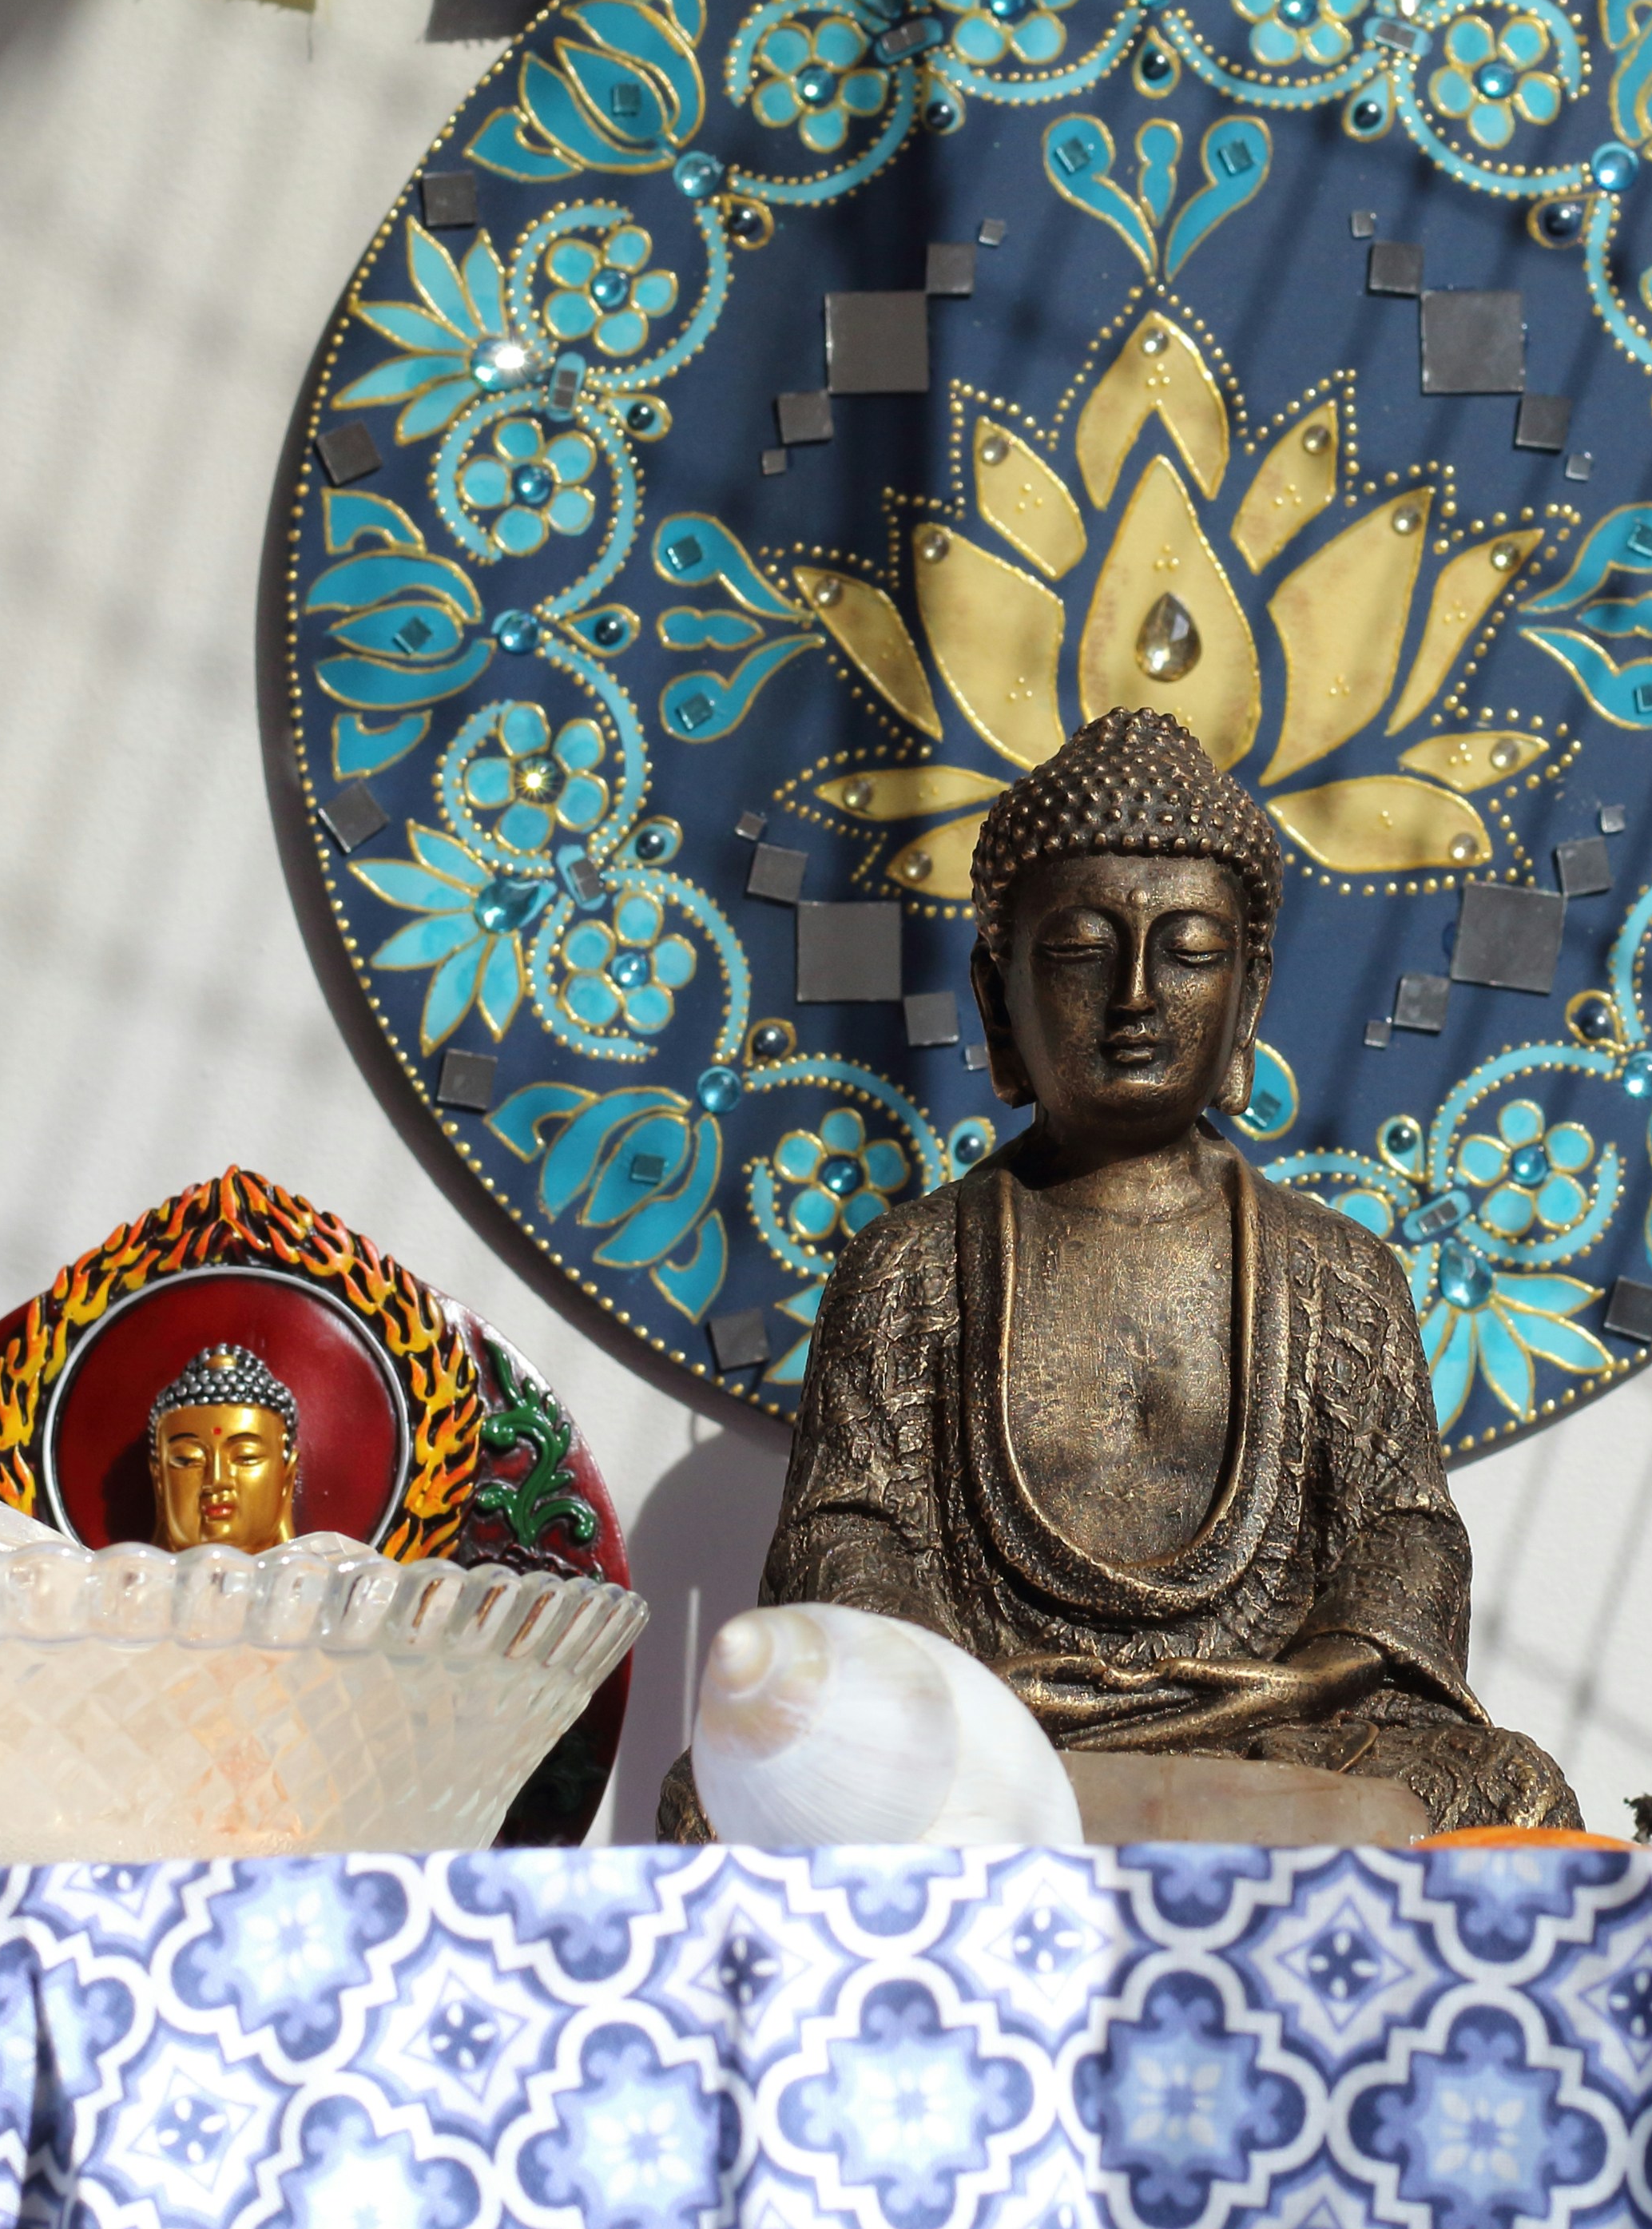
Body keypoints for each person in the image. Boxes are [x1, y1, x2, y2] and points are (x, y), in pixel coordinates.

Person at [665, 707, 1579, 1837]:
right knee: (710, 1796)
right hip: (992, 1720)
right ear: (998, 997)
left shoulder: (1340, 1275)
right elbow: (838, 1534)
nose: (1138, 997)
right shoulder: (907, 1267)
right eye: (1083, 952)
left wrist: (1311, 1675)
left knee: (1507, 1790)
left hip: (1269, 1724)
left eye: (1190, 951)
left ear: (1248, 995)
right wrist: (968, 1680)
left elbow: (1405, 1535)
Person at [148, 1344, 302, 1552]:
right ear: (160, 1482)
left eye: (245, 1457)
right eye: (188, 1459)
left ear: (286, 1477)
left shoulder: (331, 1582)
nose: (216, 1481)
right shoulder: (113, 1581)